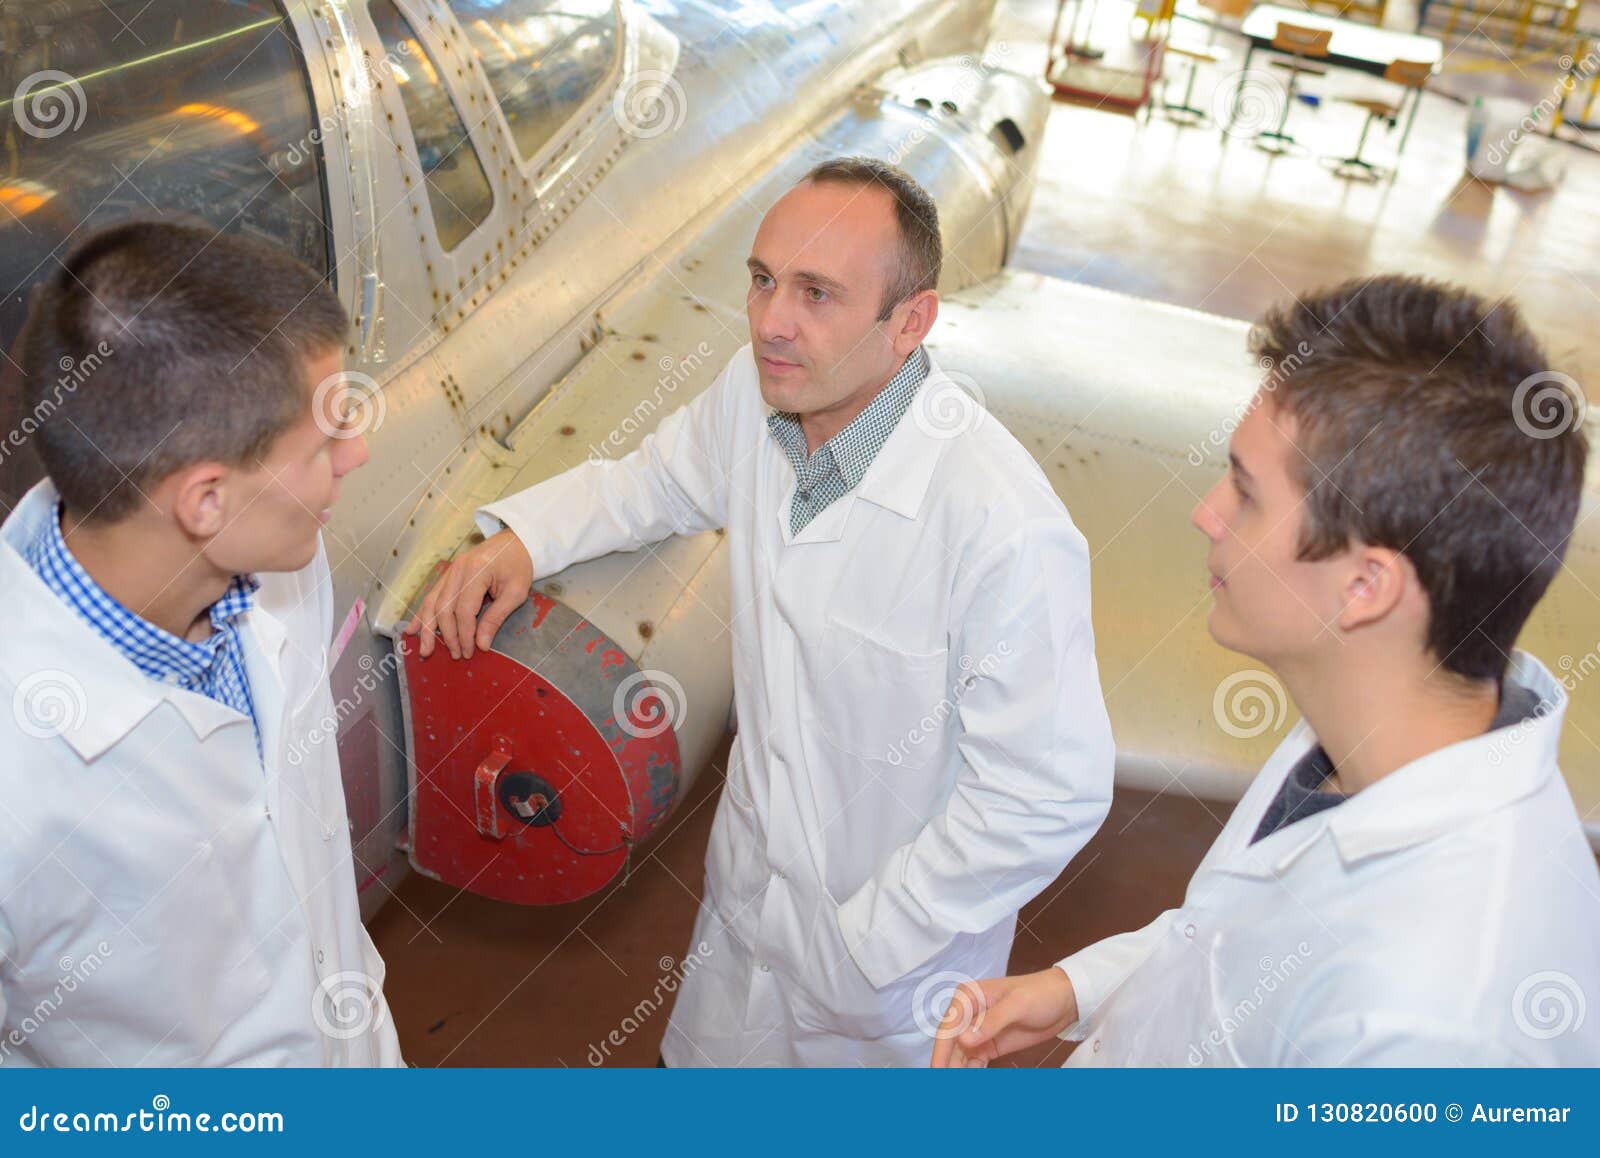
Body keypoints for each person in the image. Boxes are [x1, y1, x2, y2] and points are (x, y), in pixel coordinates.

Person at [407, 156, 1114, 1066]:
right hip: (747, 919)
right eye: (763, 280)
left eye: (818, 294)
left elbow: (1046, 792)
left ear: (912, 321)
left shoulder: (1001, 525)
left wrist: (870, 942)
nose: (772, 323)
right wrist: (523, 541)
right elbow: (653, 482)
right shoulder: (762, 396)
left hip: (886, 988)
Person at [932, 275, 1600, 1067]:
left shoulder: (1434, 1024)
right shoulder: (1376, 729)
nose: (1206, 512)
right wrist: (1081, 989)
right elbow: (1235, 943)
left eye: (1246, 493)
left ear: (1365, 586)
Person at [0, 221, 401, 1066]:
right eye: (328, 438)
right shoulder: (19, 777)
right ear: (205, 502)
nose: (359, 452)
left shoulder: (280, 565)